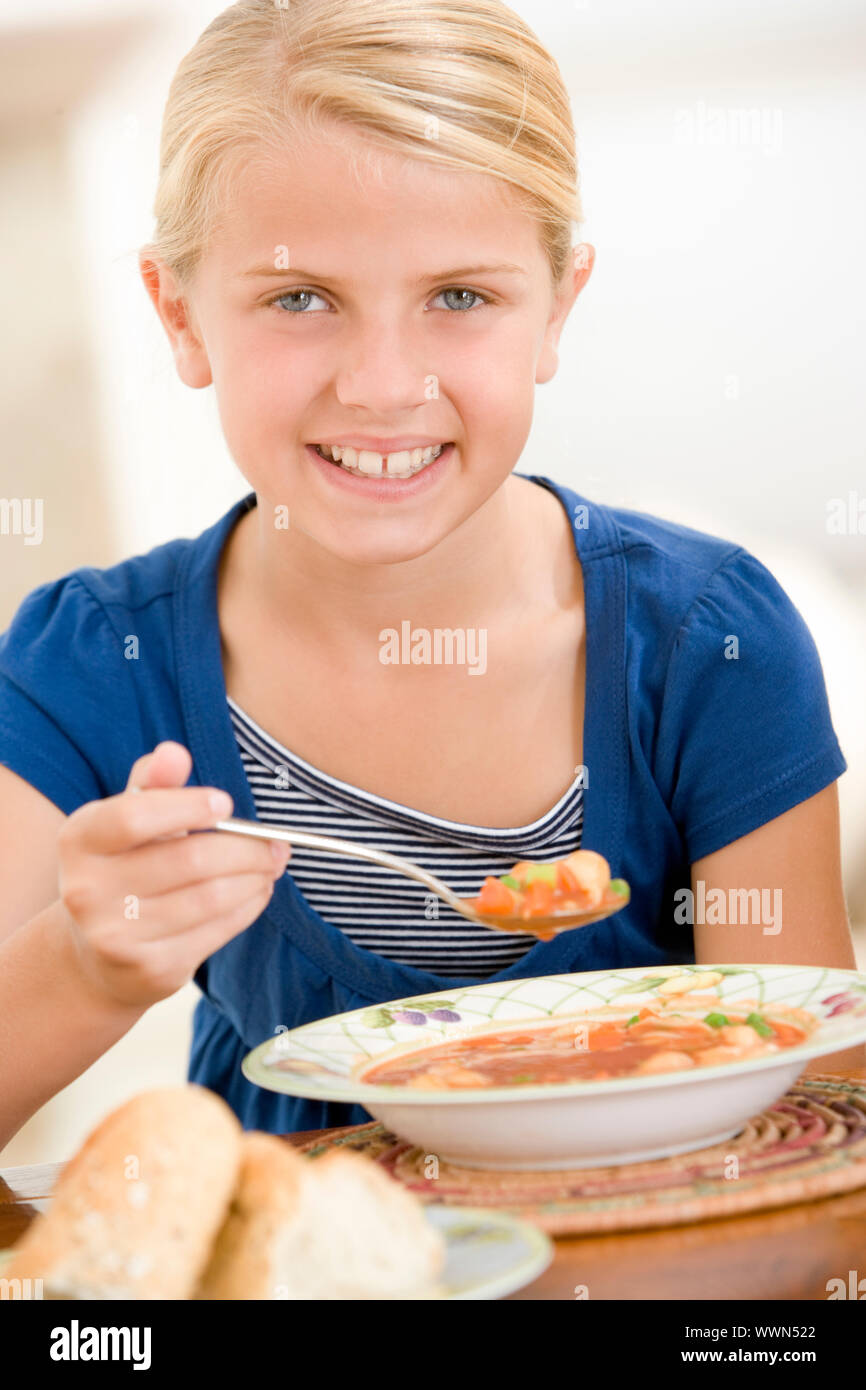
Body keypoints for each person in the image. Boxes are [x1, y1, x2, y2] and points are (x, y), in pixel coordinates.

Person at [0, 0, 860, 1146]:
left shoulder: (709, 639)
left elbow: (813, 1112)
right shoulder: (94, 664)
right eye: (299, 299)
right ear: (179, 314)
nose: (383, 385)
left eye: (459, 297)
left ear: (556, 307)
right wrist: (87, 965)